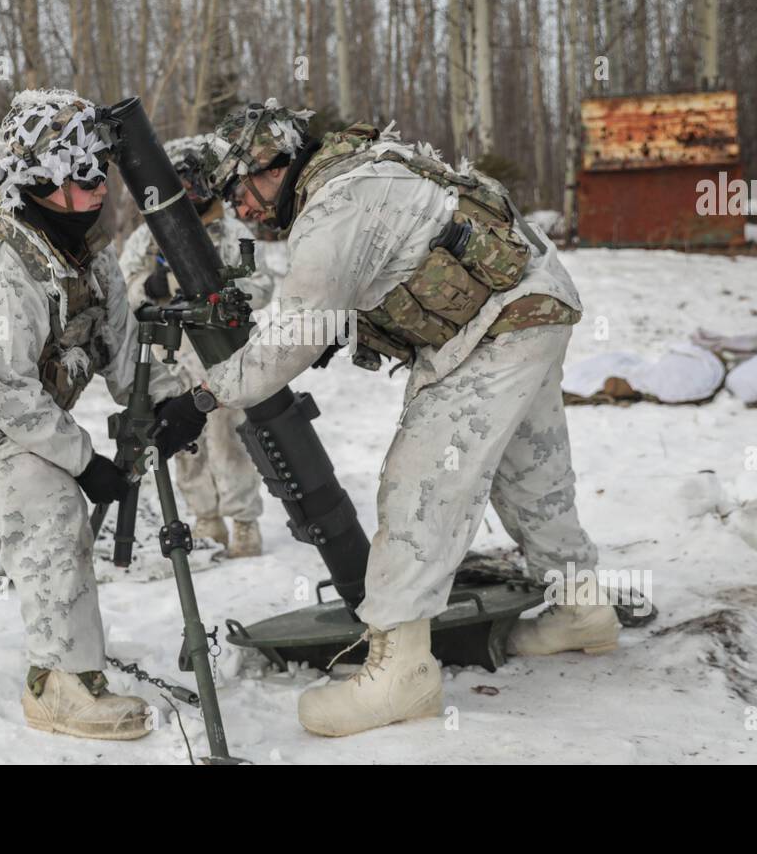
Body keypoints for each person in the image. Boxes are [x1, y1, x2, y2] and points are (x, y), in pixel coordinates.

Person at [201, 100, 617, 738]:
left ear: (274, 166)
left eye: (239, 189)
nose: (240, 210)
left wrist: (202, 397)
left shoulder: (334, 207)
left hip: (491, 331)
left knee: (421, 482)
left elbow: (289, 340)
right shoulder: (363, 171)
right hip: (534, 302)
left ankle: (401, 670)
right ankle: (581, 607)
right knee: (528, 465)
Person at [0, 89, 208, 742]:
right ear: (40, 179)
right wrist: (86, 467)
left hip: (7, 418)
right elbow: (6, 397)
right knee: (53, 517)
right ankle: (62, 685)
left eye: (101, 174)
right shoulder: (0, 267)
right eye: (81, 176)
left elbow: (119, 349)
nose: (98, 189)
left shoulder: (89, 254)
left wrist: (170, 397)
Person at [117, 135, 273, 557]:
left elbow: (260, 286)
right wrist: (155, 285)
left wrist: (218, 287)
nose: (187, 193)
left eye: (193, 183)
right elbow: (123, 296)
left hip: (225, 349)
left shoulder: (231, 231)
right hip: (172, 355)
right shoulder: (148, 238)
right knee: (186, 442)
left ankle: (244, 522)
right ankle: (205, 518)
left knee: (231, 439)